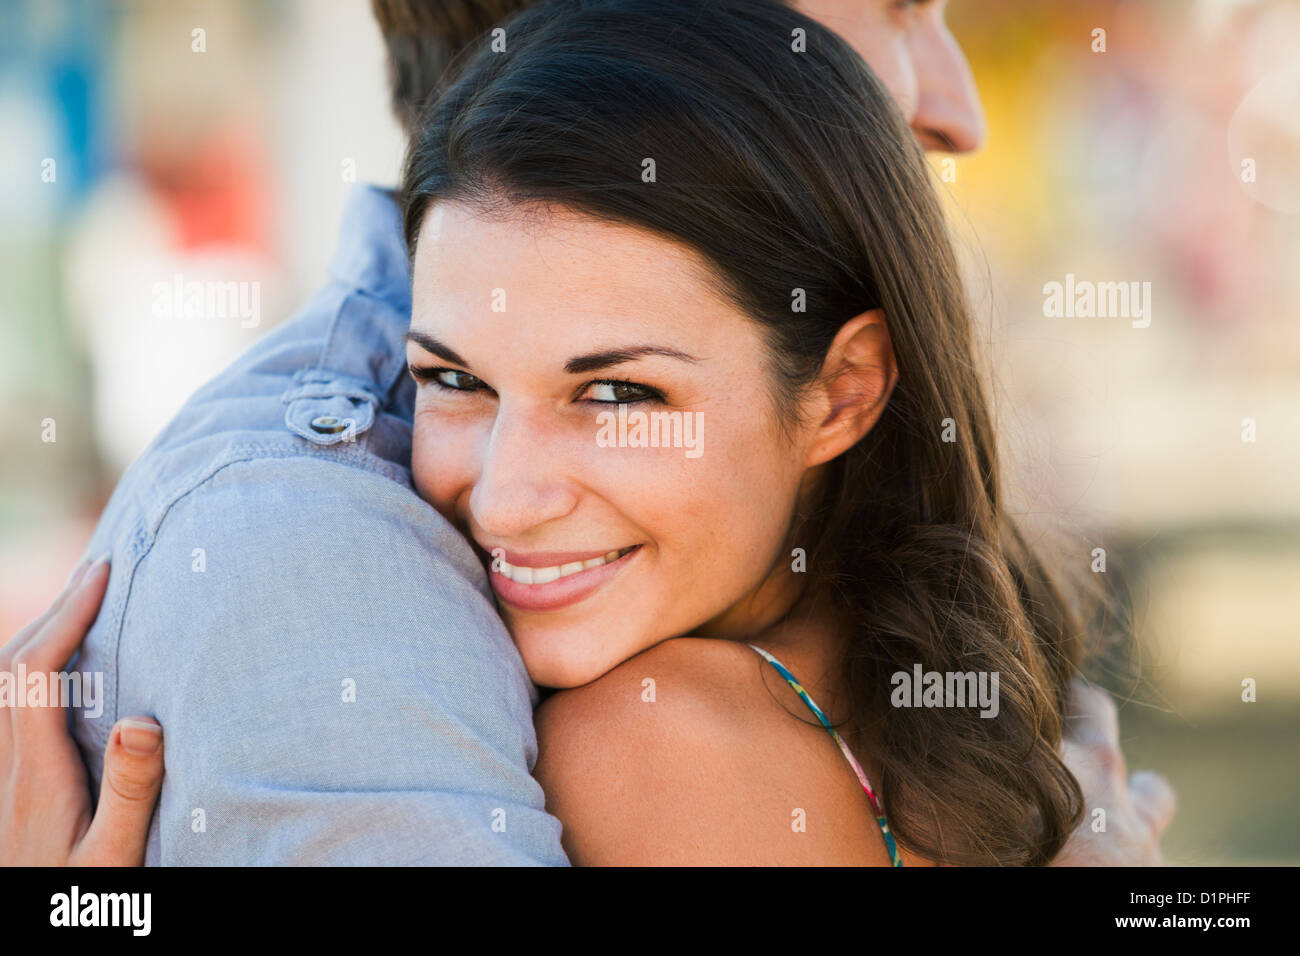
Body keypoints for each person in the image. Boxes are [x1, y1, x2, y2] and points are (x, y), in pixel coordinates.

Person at [0, 0, 1173, 865]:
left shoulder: (684, 726)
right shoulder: (838, 679)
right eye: (452, 378)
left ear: (845, 390)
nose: (503, 498)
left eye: (617, 395)